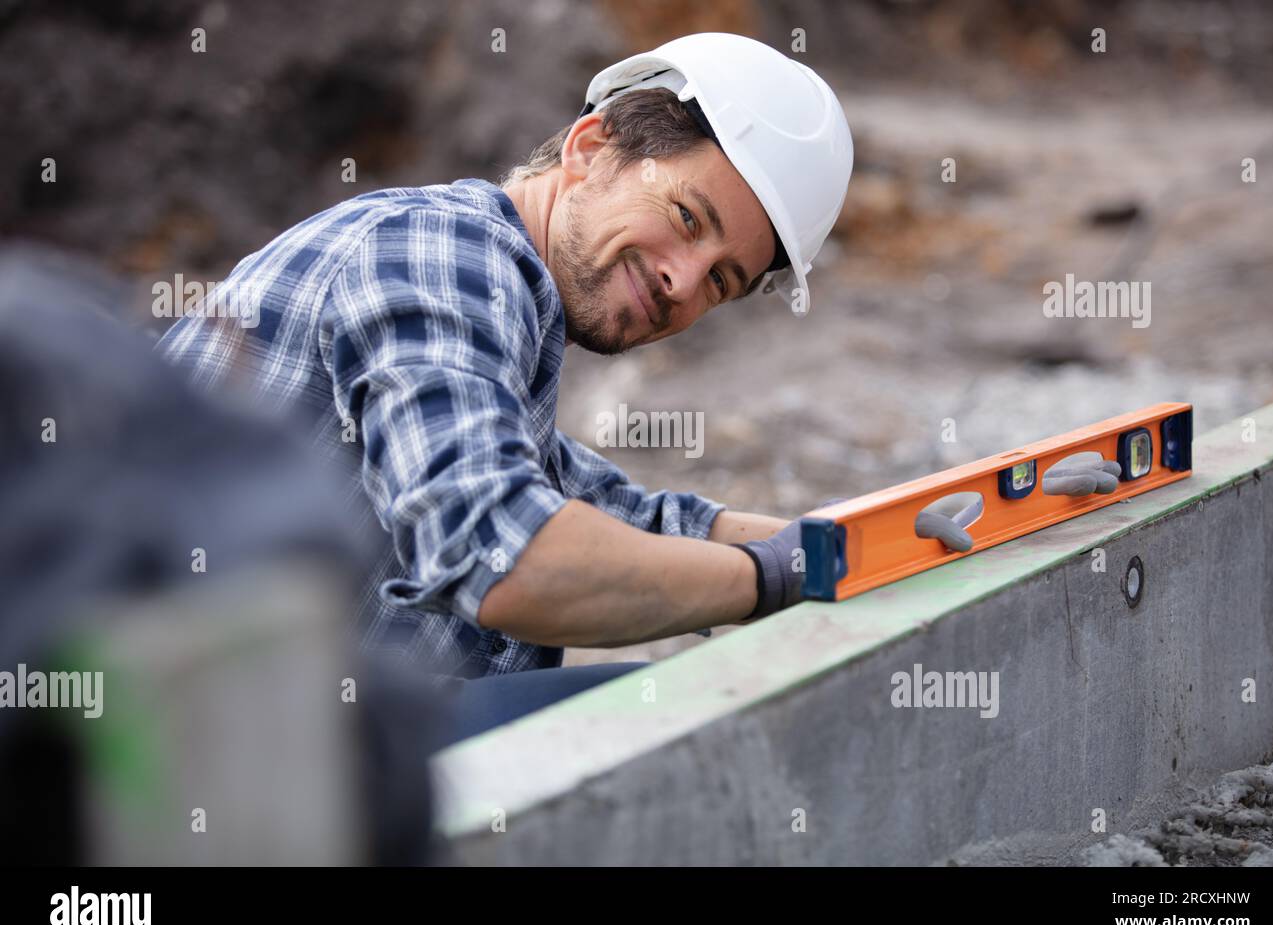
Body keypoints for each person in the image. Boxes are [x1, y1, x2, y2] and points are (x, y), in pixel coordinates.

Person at [156, 33, 855, 746]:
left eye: (720, 279)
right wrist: (768, 579)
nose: (683, 281)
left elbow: (611, 514)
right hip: (191, 768)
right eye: (686, 217)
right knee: (685, 727)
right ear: (591, 149)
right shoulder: (441, 253)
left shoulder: (491, 299)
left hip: (250, 740)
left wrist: (848, 546)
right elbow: (504, 555)